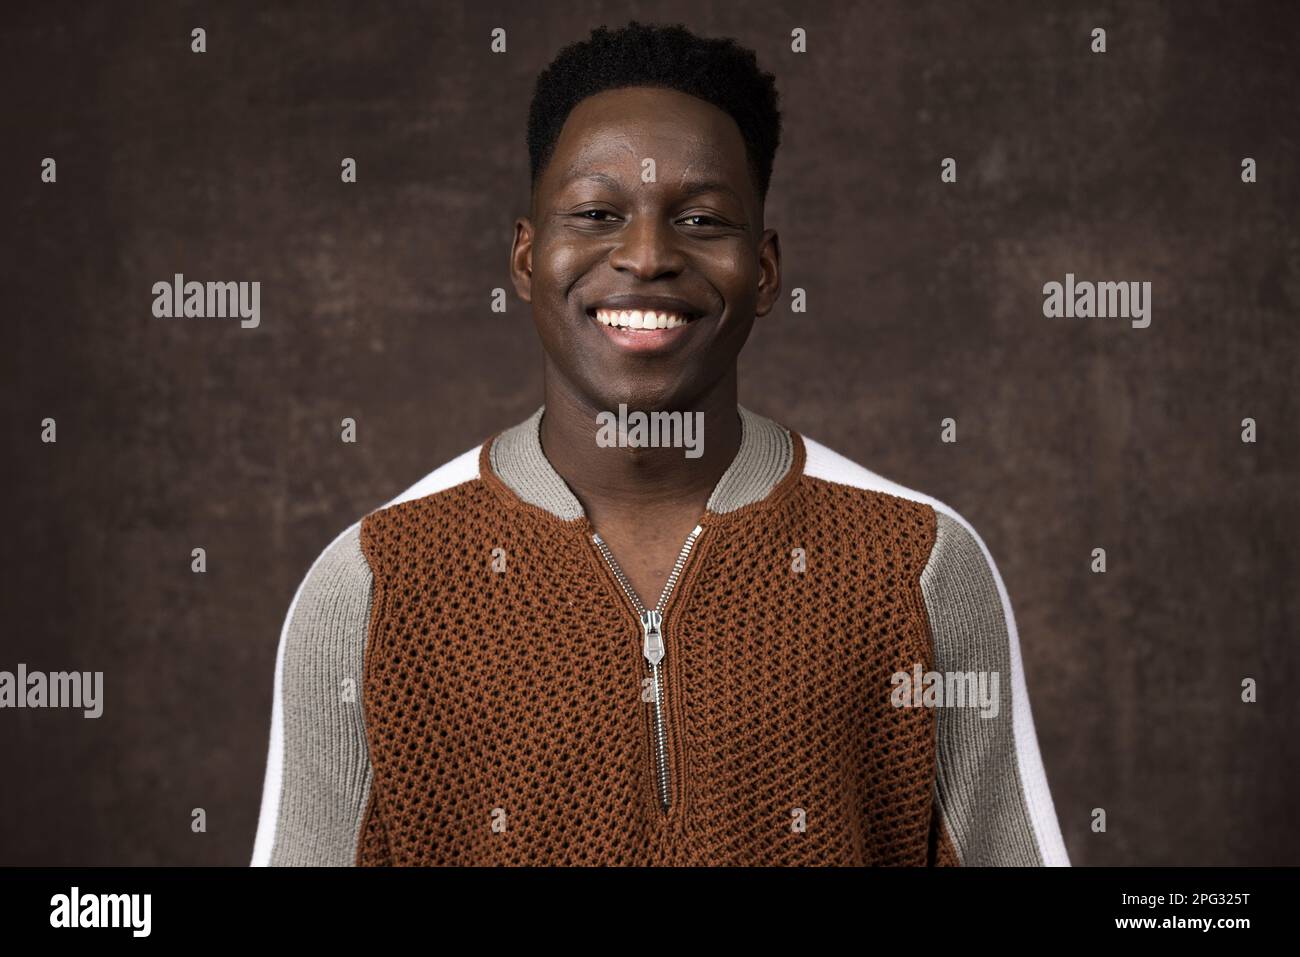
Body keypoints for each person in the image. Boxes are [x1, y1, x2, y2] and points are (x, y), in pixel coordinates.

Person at [251, 20, 1069, 866]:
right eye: (598, 213)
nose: (646, 256)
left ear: (766, 271)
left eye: (703, 219)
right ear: (527, 257)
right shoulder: (374, 585)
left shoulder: (921, 566)